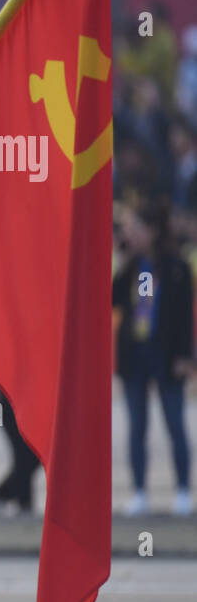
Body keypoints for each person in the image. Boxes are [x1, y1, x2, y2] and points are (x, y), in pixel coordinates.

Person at [112, 202, 194, 516]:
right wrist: (122, 261)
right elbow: (113, 299)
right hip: (136, 354)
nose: (130, 233)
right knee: (137, 426)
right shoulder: (132, 266)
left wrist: (186, 357)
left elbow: (186, 317)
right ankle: (139, 491)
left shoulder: (176, 267)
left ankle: (184, 490)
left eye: (136, 228)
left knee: (174, 423)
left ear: (153, 231)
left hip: (167, 354)